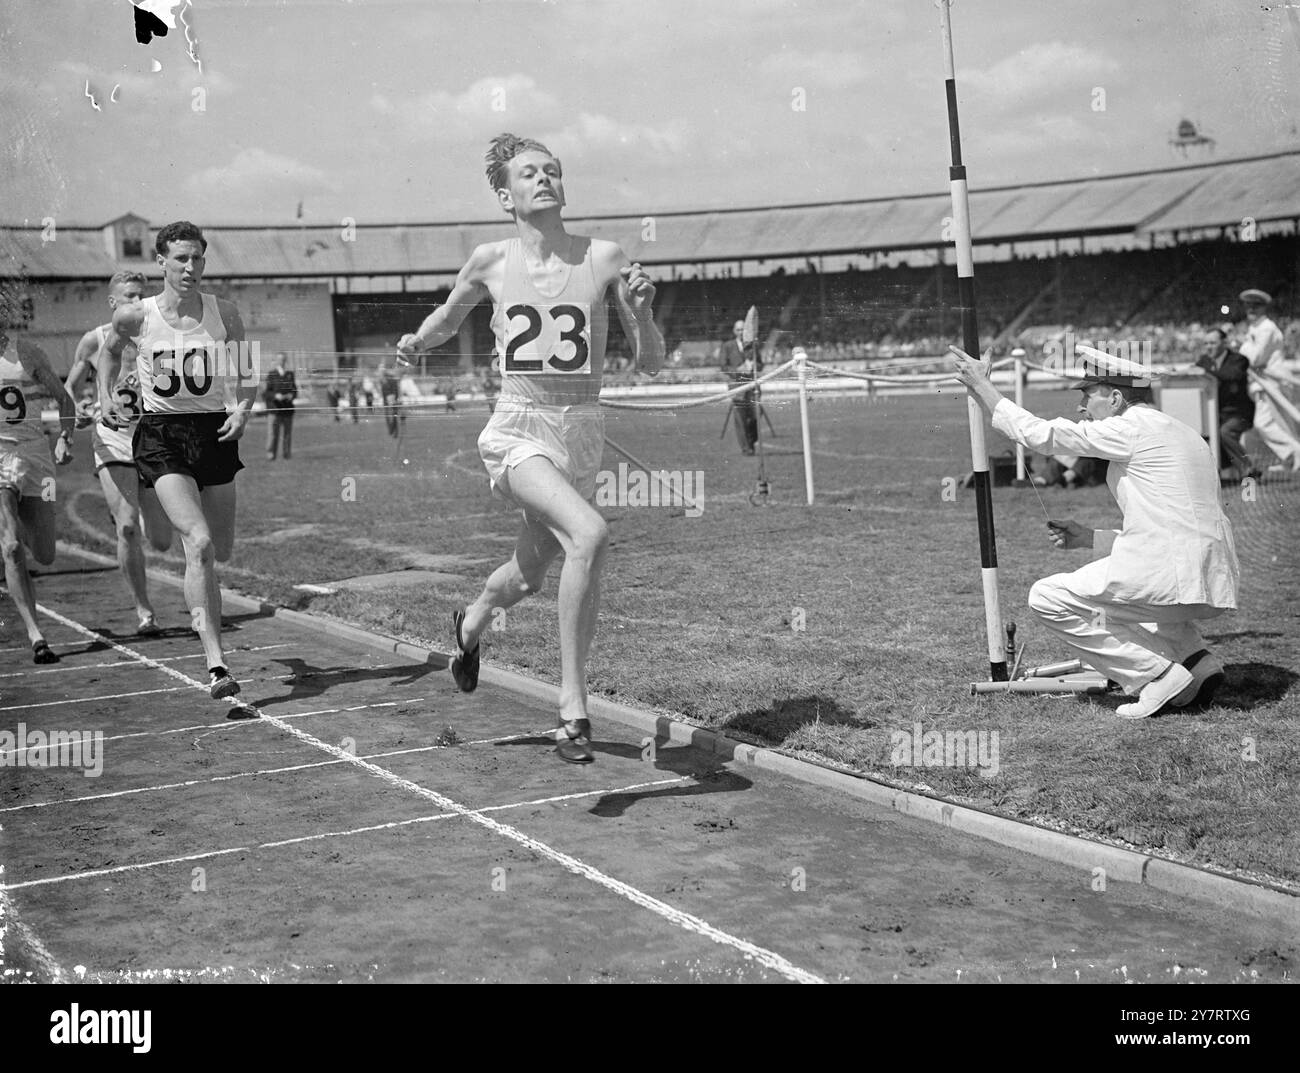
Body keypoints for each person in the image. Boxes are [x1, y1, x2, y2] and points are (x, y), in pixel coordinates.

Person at [397, 133, 664, 763]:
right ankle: (572, 708)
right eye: (528, 173)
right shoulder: (491, 259)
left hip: (581, 434)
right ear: (504, 194)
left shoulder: (605, 258)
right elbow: (447, 318)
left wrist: (646, 314)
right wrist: (415, 342)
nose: (543, 179)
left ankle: (471, 622)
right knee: (590, 536)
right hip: (518, 429)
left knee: (527, 574)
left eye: (552, 171)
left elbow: (650, 363)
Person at [951, 344, 1237, 719]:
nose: (1081, 406)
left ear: (1116, 398)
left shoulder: (1130, 427)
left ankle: (1156, 677)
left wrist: (983, 386)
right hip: (1211, 579)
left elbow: (1041, 435)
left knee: (1047, 598)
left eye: (1089, 395)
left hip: (1173, 574)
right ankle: (1197, 664)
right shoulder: (1182, 431)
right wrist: (1090, 538)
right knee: (1123, 599)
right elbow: (1169, 526)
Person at [98, 220, 256, 701]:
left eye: (198, 258)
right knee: (200, 542)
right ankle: (216, 663)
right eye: (181, 258)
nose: (191, 267)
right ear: (161, 262)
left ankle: (210, 634)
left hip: (214, 434)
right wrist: (104, 396)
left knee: (221, 549)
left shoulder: (224, 311)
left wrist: (244, 407)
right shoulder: (136, 317)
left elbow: (246, 371)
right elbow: (107, 354)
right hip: (162, 435)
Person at [66, 270, 173, 634]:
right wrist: (78, 411)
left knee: (161, 540)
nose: (137, 302)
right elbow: (71, 387)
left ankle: (139, 510)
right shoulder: (94, 340)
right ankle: (145, 610)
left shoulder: (156, 335)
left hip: (153, 441)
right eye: (129, 296)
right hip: (112, 440)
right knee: (126, 529)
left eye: (141, 296)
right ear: (113, 302)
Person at [0, 305, 77, 663]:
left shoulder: (26, 352)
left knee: (45, 553)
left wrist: (66, 437)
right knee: (12, 547)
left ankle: (20, 525)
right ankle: (36, 634)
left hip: (37, 459)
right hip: (1, 460)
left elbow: (64, 398)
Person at [1238, 289, 1300, 473]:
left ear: (1264, 307)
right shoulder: (1256, 328)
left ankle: (1294, 453)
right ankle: (1290, 459)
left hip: (1270, 382)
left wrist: (1240, 350)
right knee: (1277, 424)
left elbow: (1253, 359)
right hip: (1263, 382)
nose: (1251, 309)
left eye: (1255, 306)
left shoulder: (1266, 328)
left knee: (1263, 424)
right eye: (1248, 306)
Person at [1193, 325, 1258, 482]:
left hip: (1238, 413)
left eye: (1213, 343)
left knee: (1224, 432)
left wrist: (1205, 373)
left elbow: (1232, 375)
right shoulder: (1203, 361)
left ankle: (1249, 470)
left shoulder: (1239, 360)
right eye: (1206, 343)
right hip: (1215, 414)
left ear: (1224, 343)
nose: (1209, 347)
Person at [719, 318, 757, 454]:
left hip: (752, 387)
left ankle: (751, 441)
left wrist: (754, 365)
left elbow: (761, 363)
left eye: (743, 329)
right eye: (738, 329)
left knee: (756, 416)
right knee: (740, 419)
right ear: (734, 331)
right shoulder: (727, 346)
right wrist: (738, 370)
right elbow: (723, 366)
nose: (741, 332)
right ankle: (746, 448)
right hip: (737, 387)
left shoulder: (752, 345)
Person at [263, 351, 297, 460]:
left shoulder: (290, 374)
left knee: (287, 435)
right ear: (276, 361)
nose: (281, 361)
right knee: (273, 434)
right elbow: (266, 393)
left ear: (285, 361)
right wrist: (275, 396)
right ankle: (271, 454)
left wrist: (291, 395)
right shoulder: (271, 375)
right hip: (275, 410)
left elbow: (294, 390)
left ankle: (286, 455)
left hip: (287, 409)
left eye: (283, 359)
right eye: (279, 359)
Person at [377, 361, 401, 437]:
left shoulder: (390, 379)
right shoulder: (382, 381)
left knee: (393, 416)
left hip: (392, 401)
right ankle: (391, 430)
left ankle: (394, 431)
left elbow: (395, 390)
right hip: (387, 401)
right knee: (389, 416)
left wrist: (395, 399)